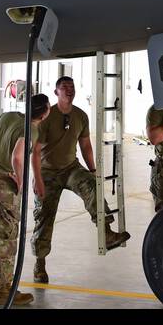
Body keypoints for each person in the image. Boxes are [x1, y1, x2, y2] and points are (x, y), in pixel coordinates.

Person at [30, 75, 129, 284]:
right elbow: (35, 151)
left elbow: (85, 145)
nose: (69, 90)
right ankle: (40, 262)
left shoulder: (81, 116)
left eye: (72, 86)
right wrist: (37, 179)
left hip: (70, 167)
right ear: (56, 92)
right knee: (44, 216)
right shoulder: (47, 116)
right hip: (47, 172)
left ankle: (106, 232)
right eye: (64, 87)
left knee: (93, 186)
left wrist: (93, 169)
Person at [0, 93, 50, 305]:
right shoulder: (32, 129)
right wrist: (20, 179)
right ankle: (5, 289)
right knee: (5, 237)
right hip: (4, 187)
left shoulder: (7, 116)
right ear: (44, 114)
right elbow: (18, 156)